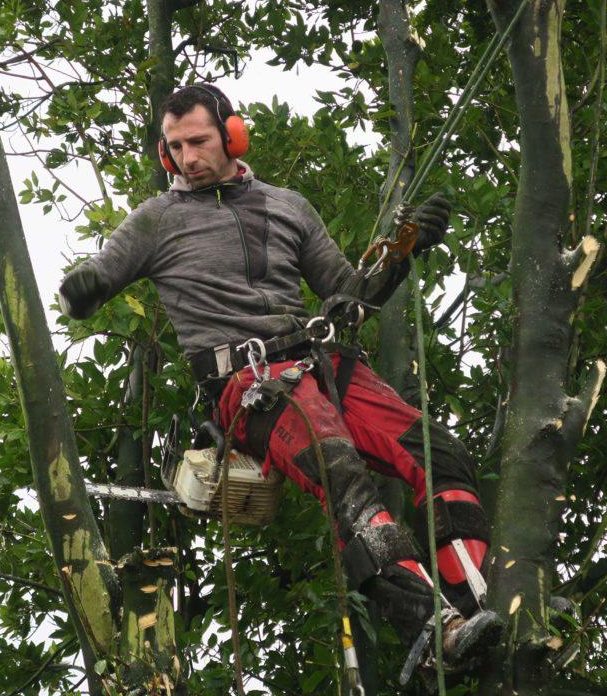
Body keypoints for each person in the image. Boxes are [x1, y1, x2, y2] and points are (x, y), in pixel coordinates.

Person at [59, 84, 501, 684]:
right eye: (175, 148)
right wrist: (79, 290)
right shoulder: (156, 221)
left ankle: (478, 607)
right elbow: (98, 277)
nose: (187, 158)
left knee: (440, 455)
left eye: (199, 141)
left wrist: (404, 251)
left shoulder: (288, 206)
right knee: (341, 475)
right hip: (251, 381)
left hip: (323, 362)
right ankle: (431, 629)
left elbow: (352, 293)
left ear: (232, 135)